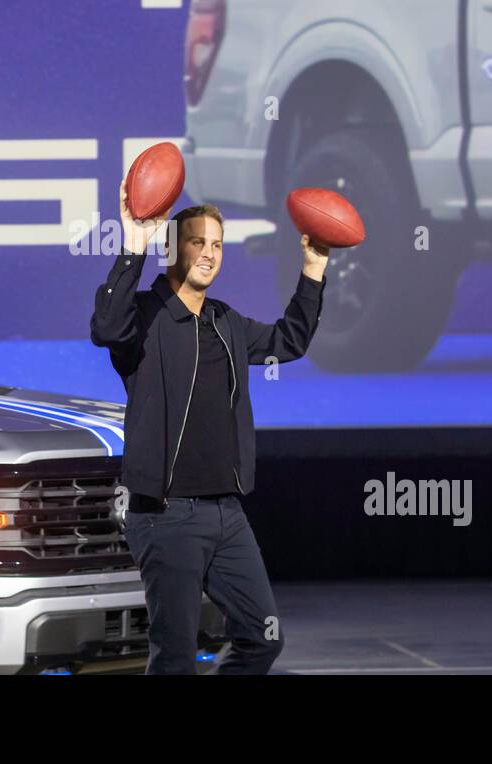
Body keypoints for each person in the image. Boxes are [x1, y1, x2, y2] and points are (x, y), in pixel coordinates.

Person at [90, 179, 328, 674]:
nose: (209, 253)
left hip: (227, 514)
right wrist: (134, 240)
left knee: (263, 639)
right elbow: (106, 327)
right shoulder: (145, 318)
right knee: (174, 658)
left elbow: (290, 341)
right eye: (198, 242)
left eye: (217, 244)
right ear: (173, 248)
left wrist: (313, 268)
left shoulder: (226, 322)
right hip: (165, 515)